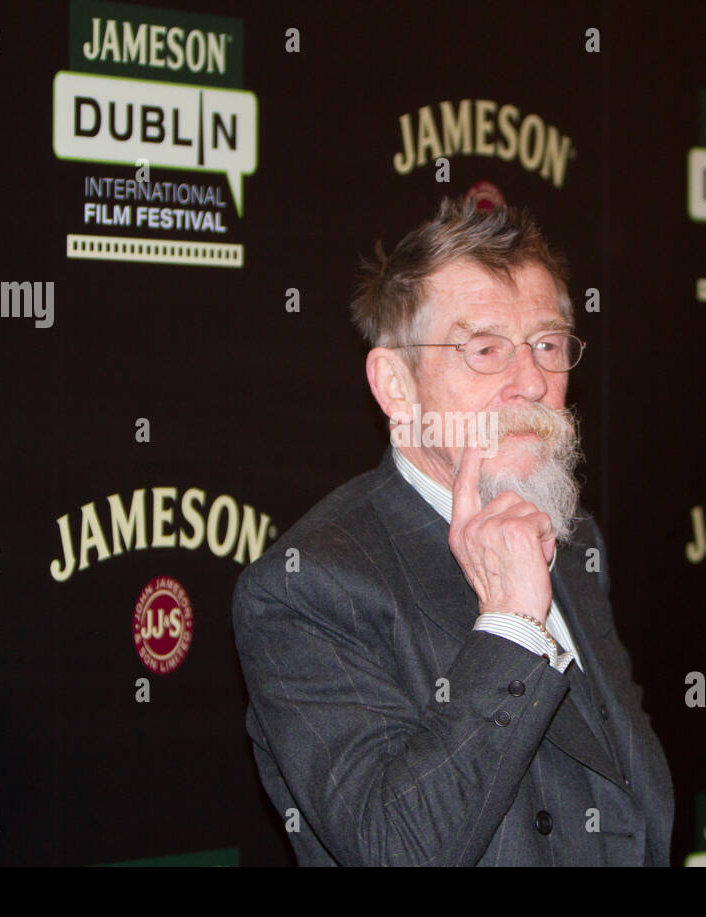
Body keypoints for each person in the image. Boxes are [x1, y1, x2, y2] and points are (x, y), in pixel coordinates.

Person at [232, 195, 674, 865]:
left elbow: (628, 801)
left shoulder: (572, 535)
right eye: (485, 349)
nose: (531, 382)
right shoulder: (309, 587)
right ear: (396, 387)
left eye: (548, 344)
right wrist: (512, 626)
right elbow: (396, 848)